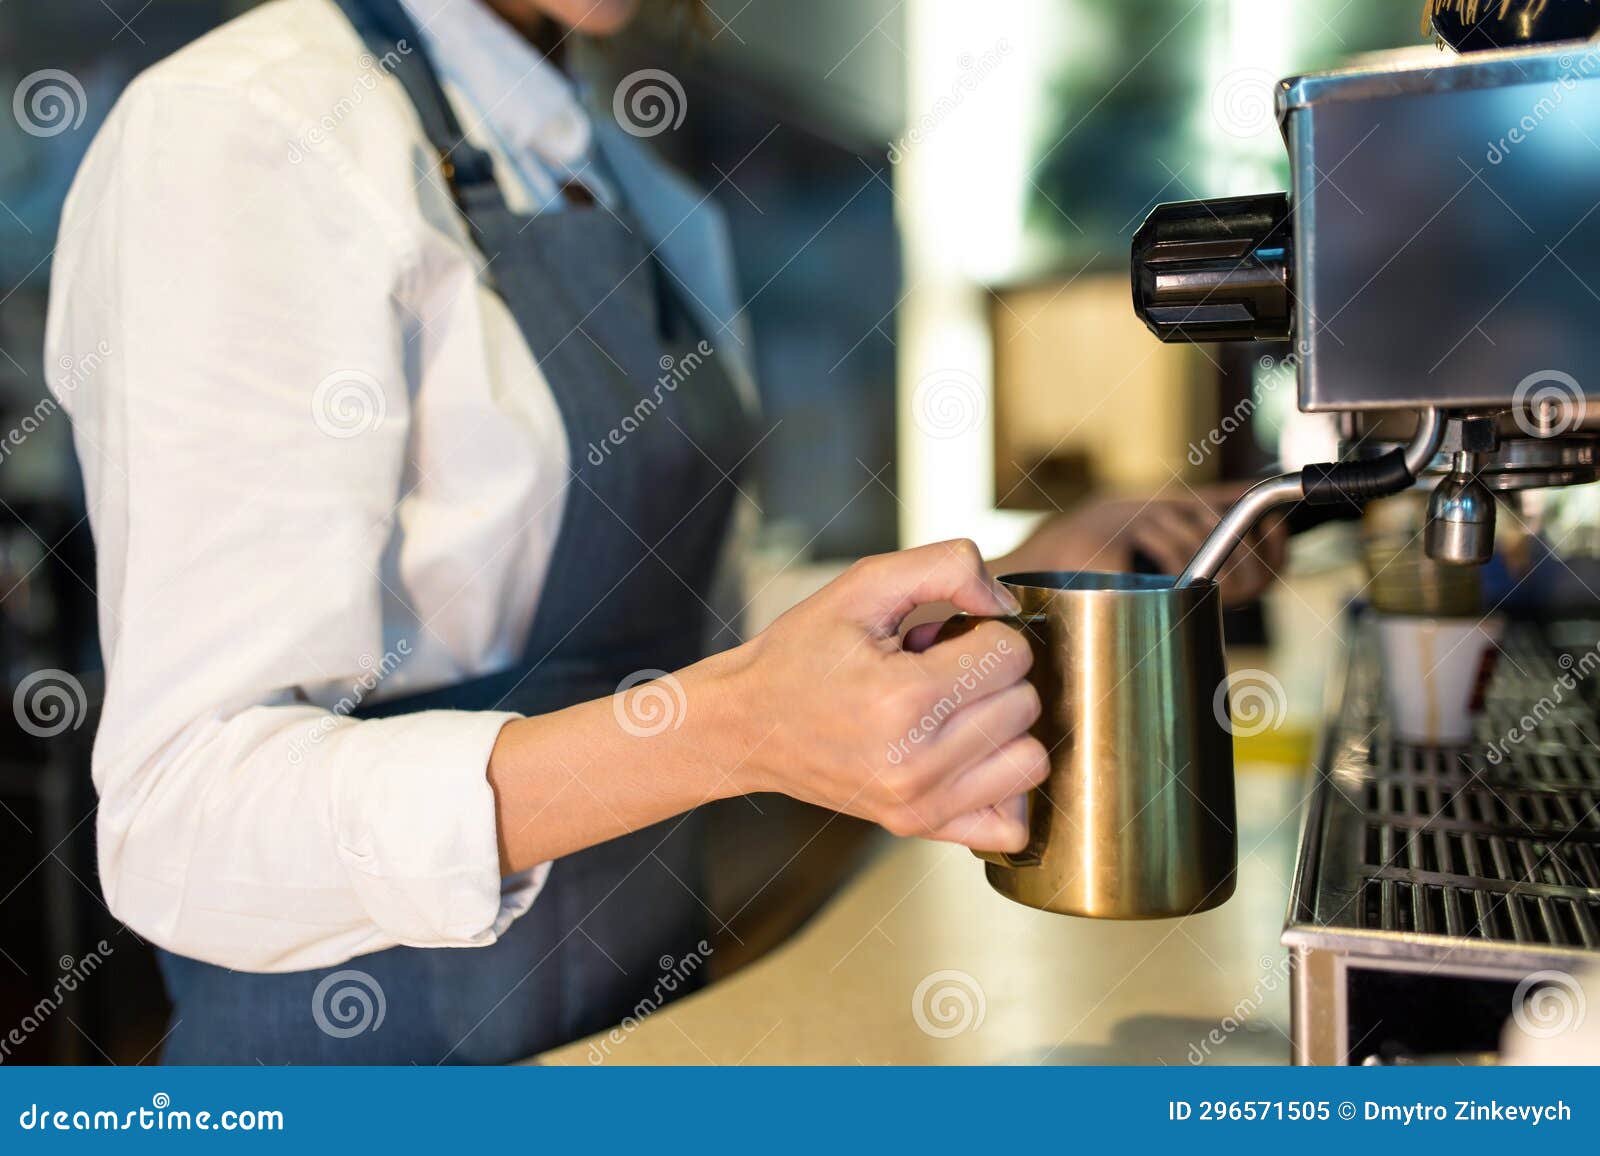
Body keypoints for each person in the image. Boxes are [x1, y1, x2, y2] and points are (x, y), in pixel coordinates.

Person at [43, 0, 1284, 1063]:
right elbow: (181, 822)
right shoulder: (248, 131)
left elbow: (670, 623)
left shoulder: (636, 186)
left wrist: (1011, 573)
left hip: (647, 1030)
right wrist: (735, 725)